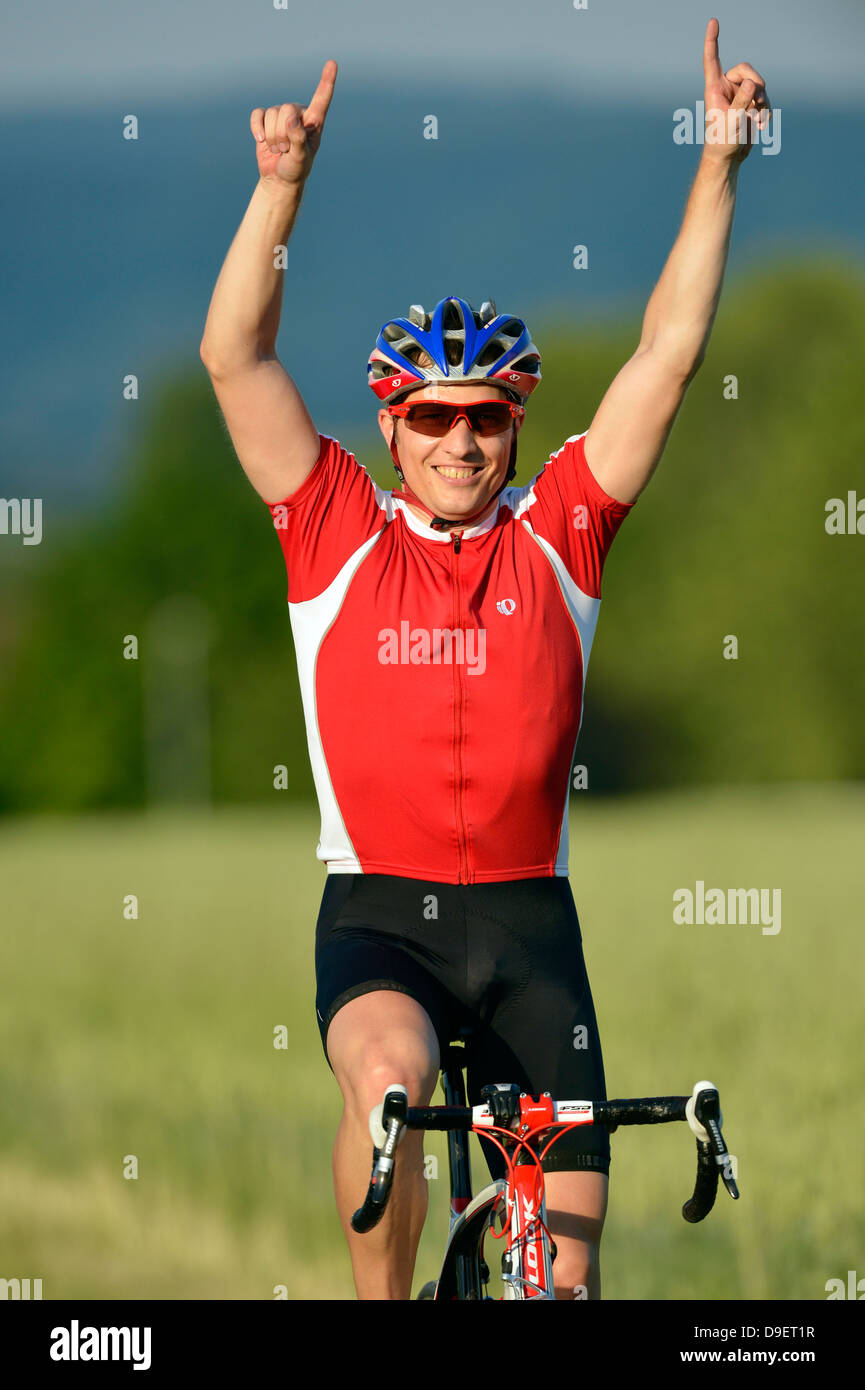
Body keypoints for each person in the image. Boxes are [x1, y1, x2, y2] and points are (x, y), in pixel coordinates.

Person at [199, 21, 770, 1299]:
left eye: (486, 418)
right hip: (380, 919)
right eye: (433, 418)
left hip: (528, 932)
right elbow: (234, 356)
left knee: (562, 1278)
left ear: (514, 425)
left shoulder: (562, 529)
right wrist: (281, 189)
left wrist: (719, 162)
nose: (461, 441)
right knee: (394, 1083)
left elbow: (665, 356)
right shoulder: (337, 530)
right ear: (392, 429)